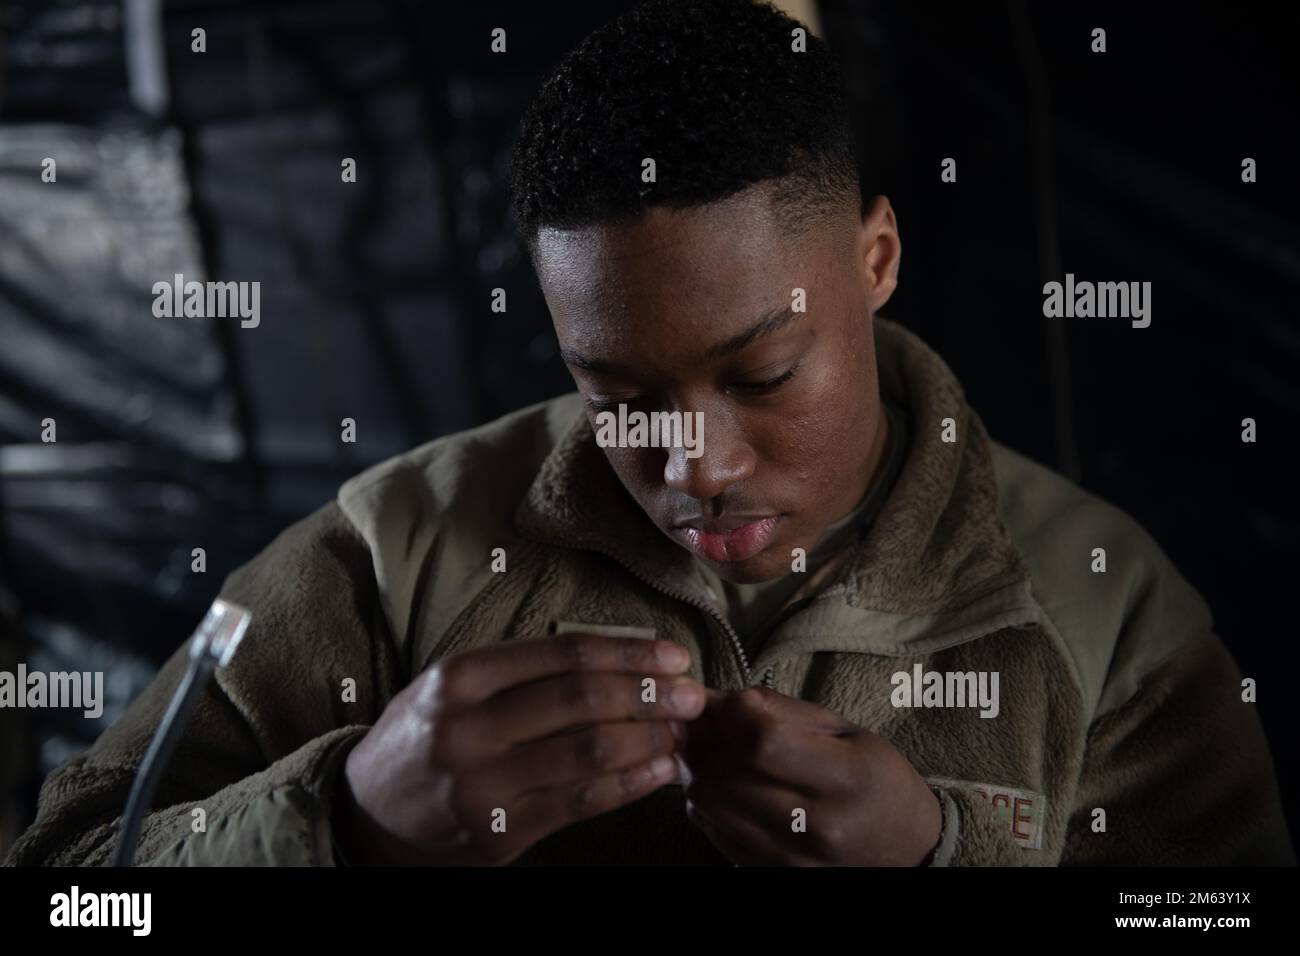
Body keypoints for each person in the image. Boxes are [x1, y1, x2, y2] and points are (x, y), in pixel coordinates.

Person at [6, 0, 1293, 867]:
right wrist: (342, 818)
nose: (694, 461)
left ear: (878, 257)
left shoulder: (1091, 600)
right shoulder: (401, 551)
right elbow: (71, 887)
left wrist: (947, 849)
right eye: (614, 389)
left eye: (765, 371)